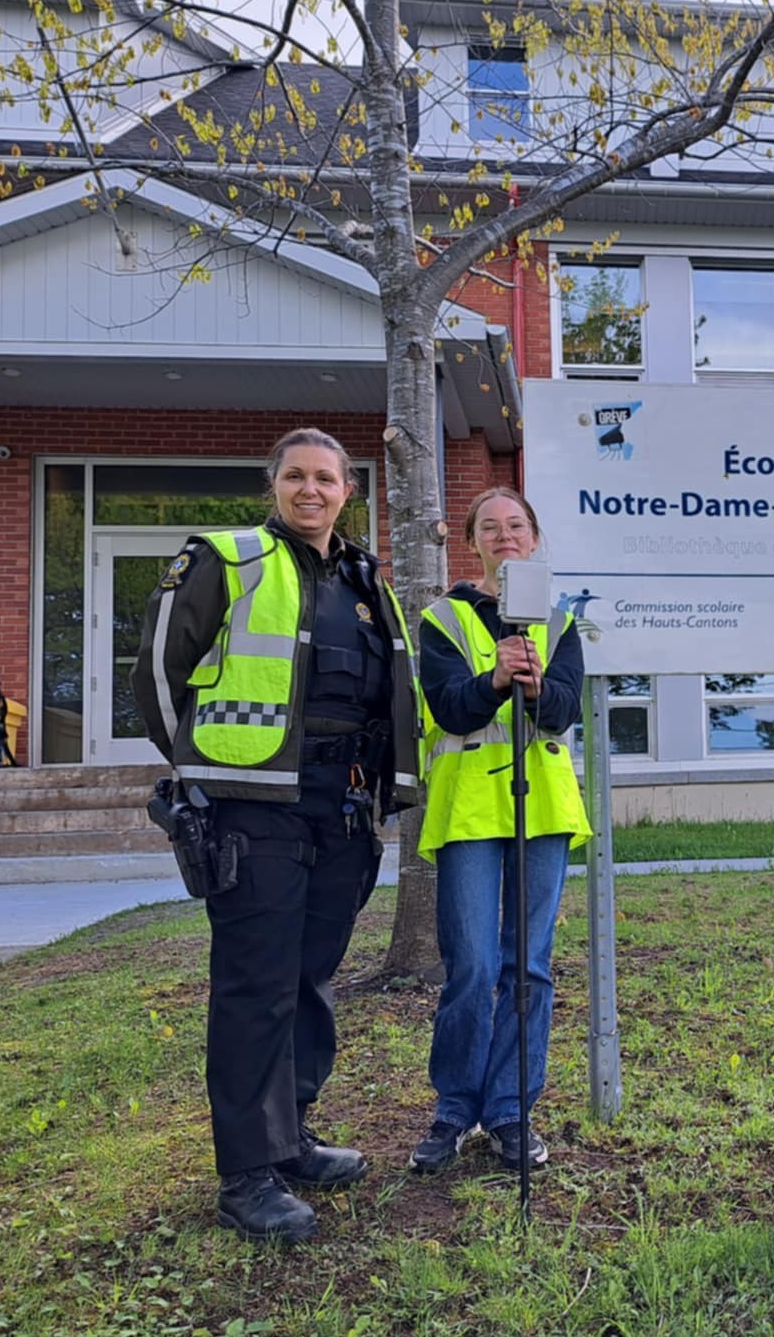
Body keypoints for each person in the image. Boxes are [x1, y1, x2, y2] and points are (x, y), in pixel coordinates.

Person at [132, 427, 420, 1242]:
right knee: (255, 984)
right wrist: (201, 764)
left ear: (348, 491)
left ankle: (291, 1138)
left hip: (343, 805)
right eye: (295, 476)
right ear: (274, 485)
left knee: (309, 978)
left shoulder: (366, 580)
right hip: (254, 806)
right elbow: (157, 671)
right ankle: (246, 1176)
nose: (310, 490)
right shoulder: (227, 558)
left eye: (326, 479)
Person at [408, 487, 590, 1175]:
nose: (505, 535)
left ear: (534, 538)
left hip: (540, 809)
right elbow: (450, 709)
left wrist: (540, 688)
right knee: (474, 966)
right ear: (473, 542)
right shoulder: (442, 619)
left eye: (517, 525)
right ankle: (454, 1108)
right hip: (469, 813)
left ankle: (513, 1110)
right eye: (491, 527)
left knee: (529, 966)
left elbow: (563, 711)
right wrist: (493, 679)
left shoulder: (560, 619)